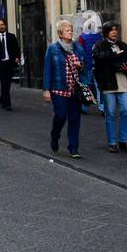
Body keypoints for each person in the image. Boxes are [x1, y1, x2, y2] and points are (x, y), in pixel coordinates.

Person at [92, 22, 127, 153]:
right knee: (110, 114)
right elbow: (98, 60)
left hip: (123, 83)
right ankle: (112, 142)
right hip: (108, 84)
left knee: (126, 111)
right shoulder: (99, 45)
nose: (114, 32)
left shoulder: (122, 45)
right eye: (111, 30)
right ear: (105, 32)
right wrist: (115, 55)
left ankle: (124, 140)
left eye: (115, 30)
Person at [43, 19, 84, 159]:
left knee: (75, 118)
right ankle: (55, 135)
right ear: (60, 33)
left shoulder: (78, 48)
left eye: (71, 30)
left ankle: (73, 148)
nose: (70, 32)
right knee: (61, 116)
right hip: (58, 89)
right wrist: (46, 89)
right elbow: (47, 69)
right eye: (67, 30)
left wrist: (81, 66)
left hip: (74, 90)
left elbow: (85, 66)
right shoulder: (53, 49)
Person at [0, 19, 22, 111]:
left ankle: (2, 99)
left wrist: (17, 57)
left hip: (9, 63)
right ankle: (7, 104)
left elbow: (17, 48)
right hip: (0, 64)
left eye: (2, 25)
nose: (1, 26)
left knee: (7, 83)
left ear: (5, 26)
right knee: (3, 82)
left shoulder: (11, 37)